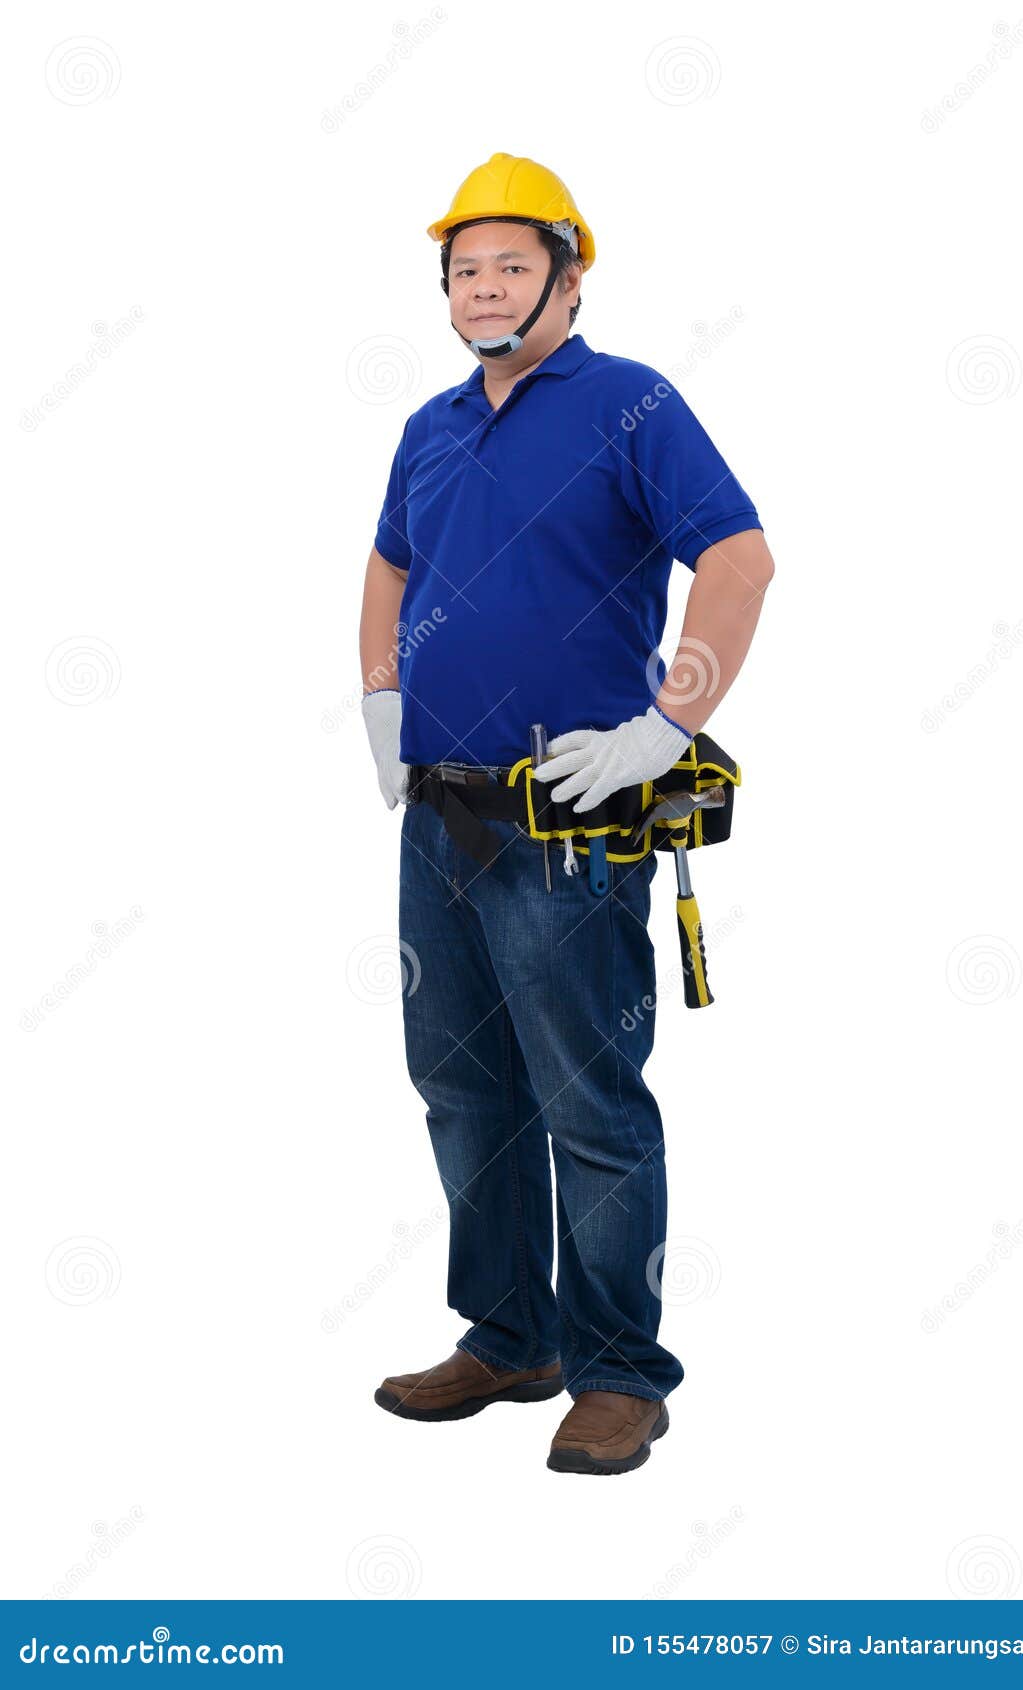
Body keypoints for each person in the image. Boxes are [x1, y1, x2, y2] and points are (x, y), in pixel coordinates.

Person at [359, 152, 774, 1475]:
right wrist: (381, 698)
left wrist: (671, 722)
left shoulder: (631, 406)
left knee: (588, 1094)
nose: (485, 289)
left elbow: (740, 556)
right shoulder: (431, 423)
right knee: (463, 1085)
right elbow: (389, 561)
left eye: (511, 267)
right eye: (465, 271)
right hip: (440, 812)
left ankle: (617, 1372)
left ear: (569, 276)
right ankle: (508, 1336)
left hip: (570, 818)